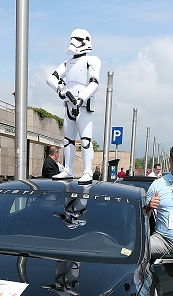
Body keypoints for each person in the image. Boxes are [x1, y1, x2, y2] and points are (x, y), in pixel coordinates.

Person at [46, 29, 101, 182]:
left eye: (76, 39)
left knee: (85, 139)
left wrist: (82, 97)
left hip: (82, 104)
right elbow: (51, 77)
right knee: (68, 140)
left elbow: (94, 82)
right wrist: (60, 89)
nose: (73, 42)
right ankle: (68, 169)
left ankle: (88, 171)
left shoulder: (92, 60)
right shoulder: (67, 63)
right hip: (69, 104)